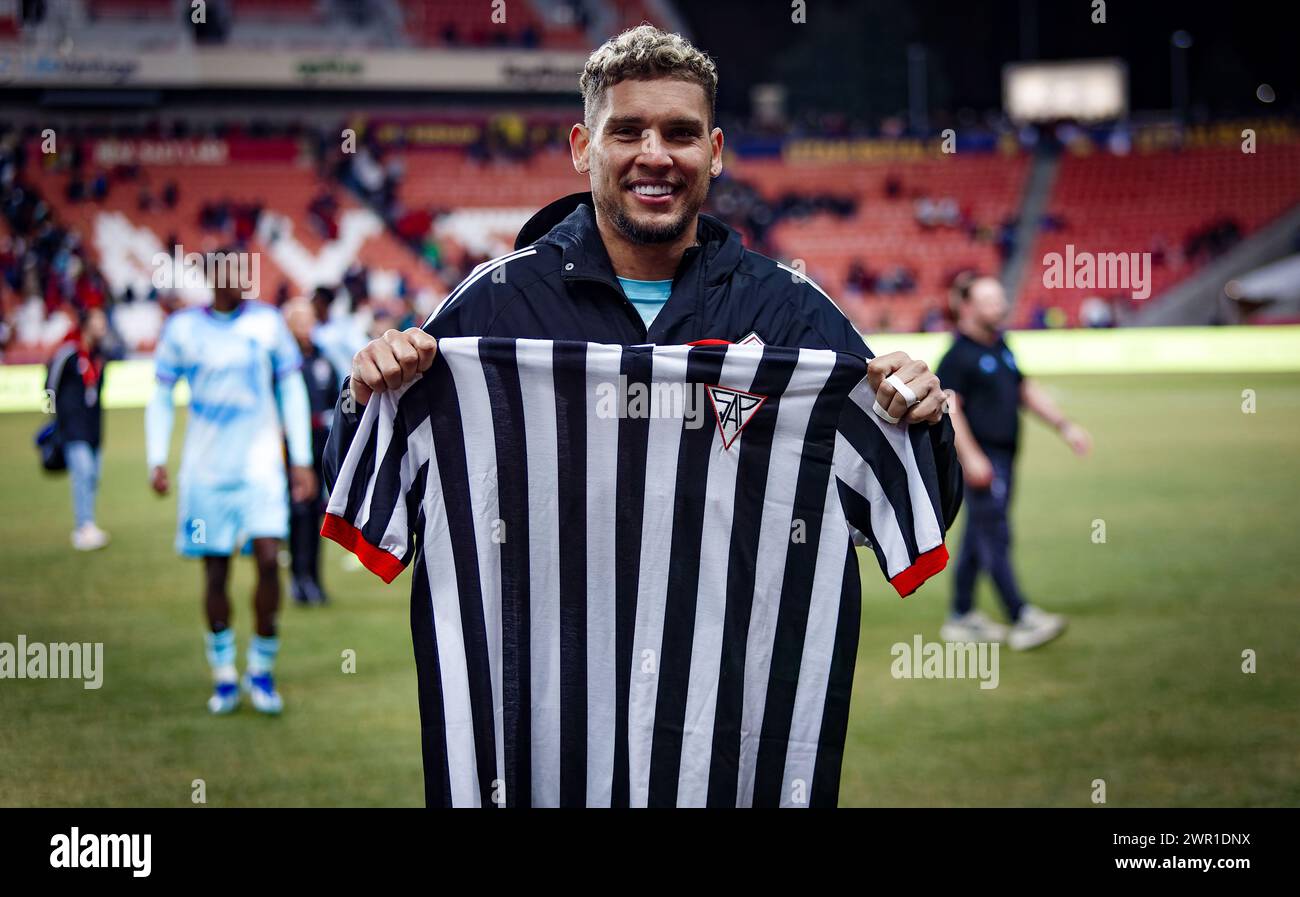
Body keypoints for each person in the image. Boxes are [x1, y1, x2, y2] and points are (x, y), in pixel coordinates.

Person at [323, 25, 962, 802]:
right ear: (581, 146)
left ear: (716, 150)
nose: (655, 155)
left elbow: (915, 499)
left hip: (729, 762)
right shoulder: (491, 309)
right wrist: (365, 398)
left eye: (680, 133)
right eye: (627, 130)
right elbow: (371, 496)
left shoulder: (791, 312)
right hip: (534, 763)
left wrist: (921, 417)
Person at [145, 263, 316, 715]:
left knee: (267, 560)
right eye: (229, 273)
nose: (239, 280)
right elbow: (161, 393)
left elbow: (291, 387)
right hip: (205, 475)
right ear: (213, 278)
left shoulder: (267, 324)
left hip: (260, 470)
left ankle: (261, 670)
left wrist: (299, 457)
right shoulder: (182, 329)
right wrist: (156, 457)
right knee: (215, 572)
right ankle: (224, 677)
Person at [937, 273, 1091, 650]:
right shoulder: (958, 357)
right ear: (966, 307)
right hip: (983, 459)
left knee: (979, 534)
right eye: (988, 301)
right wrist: (971, 458)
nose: (1000, 307)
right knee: (995, 536)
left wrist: (1064, 425)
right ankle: (1020, 616)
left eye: (999, 299)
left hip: (1004, 457)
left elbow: (1024, 389)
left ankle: (961, 615)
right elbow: (949, 410)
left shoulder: (1001, 345)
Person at [282, 299, 341, 605]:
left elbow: (337, 397)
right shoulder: (282, 361)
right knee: (298, 512)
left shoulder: (322, 358)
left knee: (318, 513)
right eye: (299, 321)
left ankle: (315, 580)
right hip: (293, 450)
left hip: (320, 447)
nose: (306, 327)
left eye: (309, 320)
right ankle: (298, 578)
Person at [49, 307, 111, 551]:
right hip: (72, 429)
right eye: (99, 321)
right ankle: (83, 527)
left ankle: (89, 523)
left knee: (93, 476)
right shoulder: (68, 355)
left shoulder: (98, 356)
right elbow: (49, 386)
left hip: (94, 429)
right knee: (83, 473)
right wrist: (53, 419)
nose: (104, 325)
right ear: (86, 325)